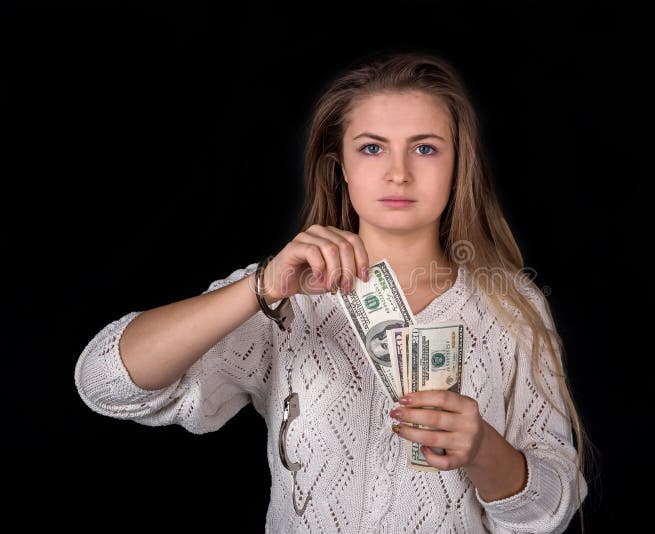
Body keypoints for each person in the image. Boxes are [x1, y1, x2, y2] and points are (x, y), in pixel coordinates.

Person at [74, 51, 591, 533]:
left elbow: (553, 510)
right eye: (371, 147)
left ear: (459, 166)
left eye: (425, 148)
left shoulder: (511, 307)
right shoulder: (283, 292)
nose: (398, 173)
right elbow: (104, 383)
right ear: (341, 167)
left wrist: (483, 450)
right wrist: (260, 288)